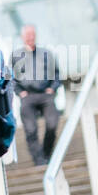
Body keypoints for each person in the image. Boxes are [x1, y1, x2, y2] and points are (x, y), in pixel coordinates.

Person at [10, 24, 64, 166]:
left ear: (36, 36)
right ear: (22, 37)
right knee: (30, 130)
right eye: (27, 35)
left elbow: (57, 74)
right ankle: (39, 161)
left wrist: (53, 88)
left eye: (32, 35)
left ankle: (46, 154)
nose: (30, 38)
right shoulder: (16, 56)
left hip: (46, 95)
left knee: (52, 124)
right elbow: (11, 78)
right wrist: (20, 93)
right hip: (27, 97)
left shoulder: (46, 53)